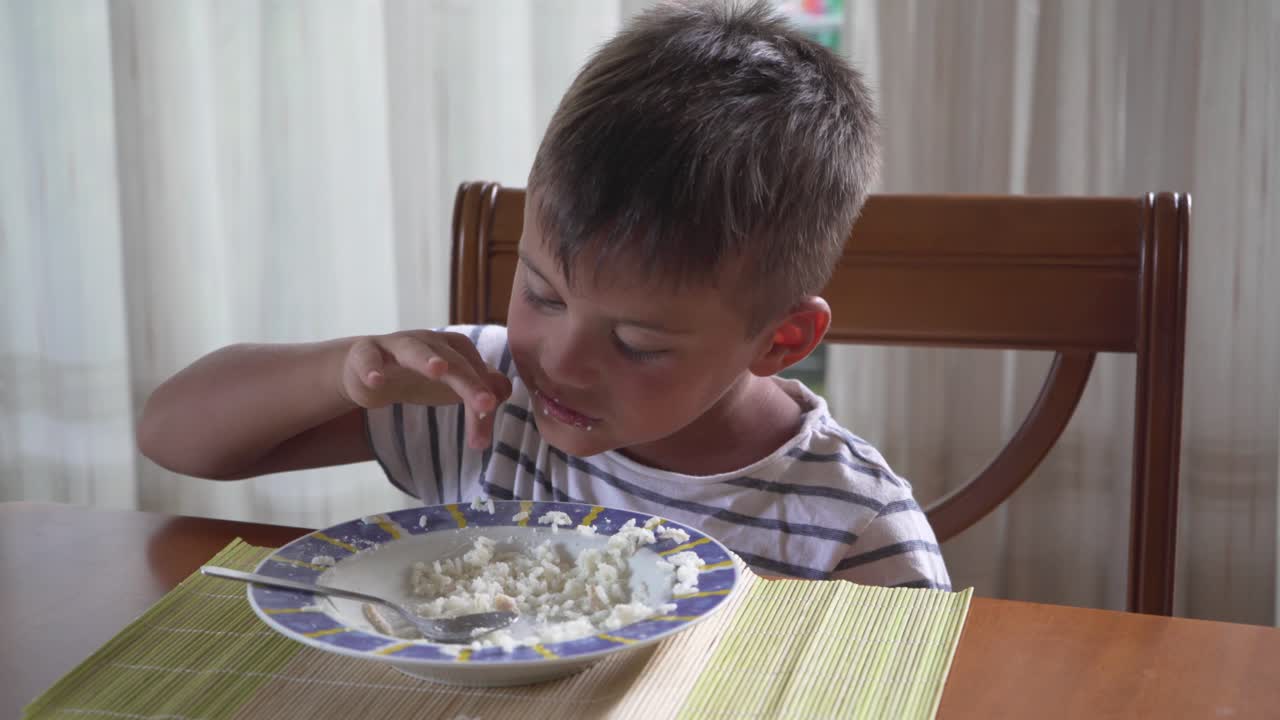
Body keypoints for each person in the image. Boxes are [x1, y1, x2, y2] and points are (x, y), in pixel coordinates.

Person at [138, 0, 950, 590]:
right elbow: (173, 436)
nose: (560, 361)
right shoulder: (486, 401)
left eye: (638, 343)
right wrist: (338, 373)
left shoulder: (850, 527)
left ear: (781, 341)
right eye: (542, 293)